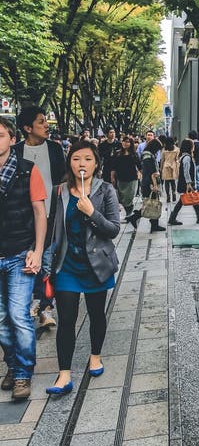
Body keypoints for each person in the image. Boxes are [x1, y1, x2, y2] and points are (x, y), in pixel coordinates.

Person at [46, 142, 120, 395]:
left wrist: (91, 212)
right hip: (66, 265)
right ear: (70, 163)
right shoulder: (60, 192)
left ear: (96, 164)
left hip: (96, 265)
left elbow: (113, 229)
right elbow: (52, 231)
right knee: (66, 319)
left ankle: (95, 355)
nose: (82, 164)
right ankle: (64, 374)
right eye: (76, 159)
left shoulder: (106, 191)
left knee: (96, 314)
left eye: (88, 159)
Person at [0, 117, 47, 401]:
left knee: (19, 316)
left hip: (20, 254)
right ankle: (13, 364)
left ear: (11, 139)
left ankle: (21, 374)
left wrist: (38, 250)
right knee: (1, 320)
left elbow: (40, 213)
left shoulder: (27, 171)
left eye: (0, 135)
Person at [15, 106, 66, 330]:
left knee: (46, 260)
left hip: (51, 214)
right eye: (41, 122)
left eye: (46, 121)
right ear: (27, 128)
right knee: (29, 261)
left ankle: (44, 306)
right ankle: (38, 304)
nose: (46, 125)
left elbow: (63, 177)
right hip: (23, 219)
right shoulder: (16, 151)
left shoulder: (55, 149)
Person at [168, 138, 199, 225]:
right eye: (192, 145)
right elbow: (186, 171)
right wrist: (188, 183)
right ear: (189, 147)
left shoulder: (186, 156)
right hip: (186, 183)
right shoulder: (187, 157)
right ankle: (173, 218)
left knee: (192, 199)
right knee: (182, 201)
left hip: (187, 183)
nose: (194, 147)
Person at [111, 136, 141, 222]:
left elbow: (139, 166)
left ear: (131, 144)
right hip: (120, 178)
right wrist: (112, 177)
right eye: (124, 141)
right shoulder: (117, 153)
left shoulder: (134, 154)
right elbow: (113, 167)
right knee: (122, 198)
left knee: (129, 197)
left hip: (132, 179)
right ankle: (130, 214)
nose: (125, 143)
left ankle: (129, 214)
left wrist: (143, 174)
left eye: (128, 142)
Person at [140, 138, 165, 232]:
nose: (158, 151)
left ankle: (154, 224)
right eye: (157, 149)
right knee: (151, 203)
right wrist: (154, 185)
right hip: (150, 183)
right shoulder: (148, 156)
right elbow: (152, 172)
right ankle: (153, 224)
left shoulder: (147, 154)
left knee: (152, 203)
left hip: (148, 181)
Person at [160, 137, 179, 203]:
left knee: (166, 182)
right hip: (173, 166)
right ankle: (174, 194)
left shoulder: (164, 150)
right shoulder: (177, 149)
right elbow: (177, 159)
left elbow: (162, 160)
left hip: (166, 166)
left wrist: (161, 168)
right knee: (173, 181)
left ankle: (168, 196)